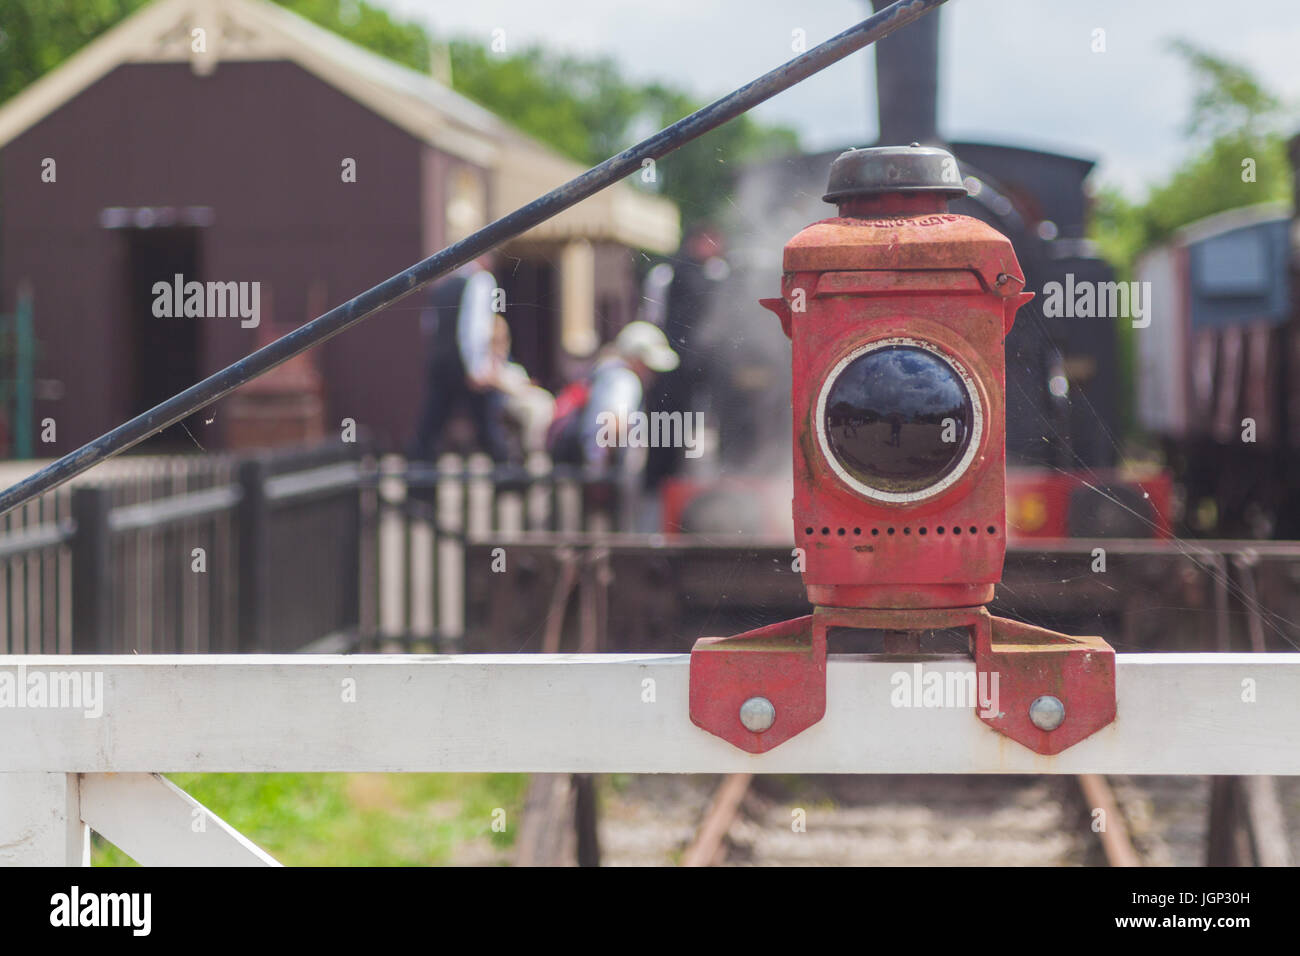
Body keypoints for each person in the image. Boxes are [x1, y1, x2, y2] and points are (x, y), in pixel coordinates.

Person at [409, 257, 510, 463]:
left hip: (441, 365)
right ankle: (507, 480)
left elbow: (429, 325)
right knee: (487, 427)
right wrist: (476, 369)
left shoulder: (443, 286)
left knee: (430, 428)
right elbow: (475, 328)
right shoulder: (481, 281)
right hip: (466, 367)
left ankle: (419, 484)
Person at [547, 321, 680, 475]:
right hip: (602, 474)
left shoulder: (606, 372)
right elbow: (615, 425)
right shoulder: (625, 380)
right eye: (648, 365)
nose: (652, 373)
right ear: (636, 358)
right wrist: (609, 468)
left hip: (590, 468)